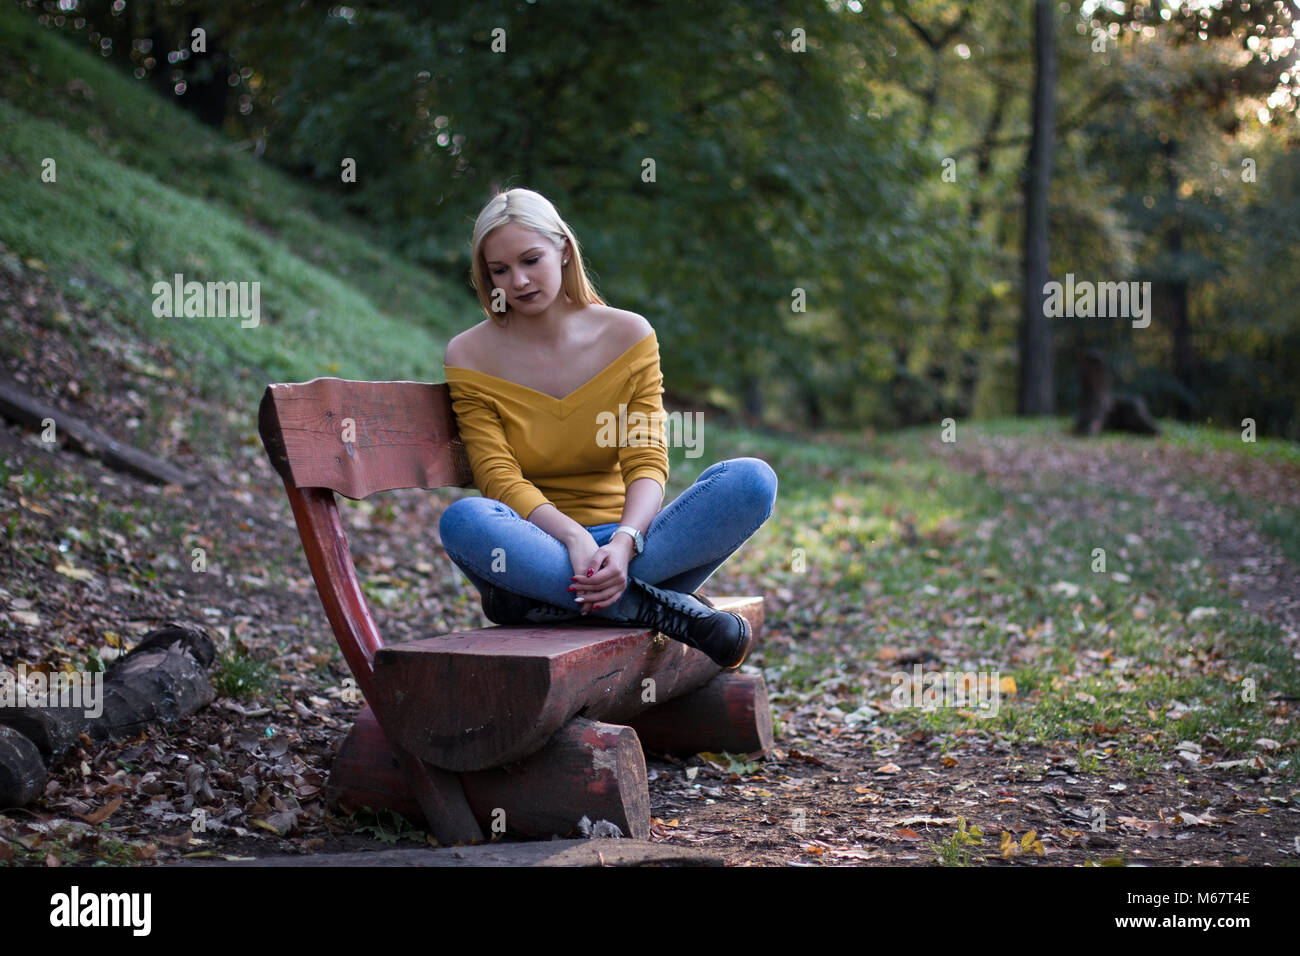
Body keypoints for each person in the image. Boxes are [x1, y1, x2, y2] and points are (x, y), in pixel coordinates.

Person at [438, 188, 777, 668]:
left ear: (564, 249)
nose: (518, 280)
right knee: (463, 520)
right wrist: (575, 539)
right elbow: (497, 476)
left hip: (634, 550)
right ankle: (659, 609)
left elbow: (646, 457)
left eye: (531, 260)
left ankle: (546, 604)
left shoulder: (628, 335)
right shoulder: (469, 355)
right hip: (536, 545)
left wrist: (623, 542)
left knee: (752, 480)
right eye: (500, 270)